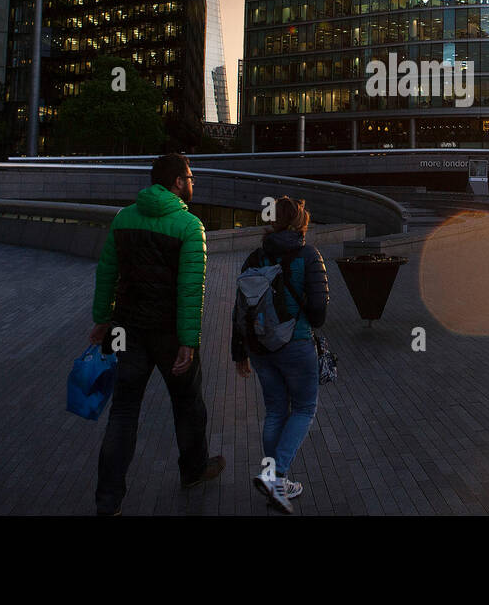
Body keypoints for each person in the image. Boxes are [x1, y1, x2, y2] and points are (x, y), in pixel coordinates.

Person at [90, 153, 223, 516]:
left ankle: (107, 500)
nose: (194, 183)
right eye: (191, 177)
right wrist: (188, 342)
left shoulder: (123, 218)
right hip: (168, 335)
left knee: (123, 413)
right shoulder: (189, 226)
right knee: (188, 405)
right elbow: (190, 290)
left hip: (127, 331)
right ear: (178, 182)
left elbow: (106, 274)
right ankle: (194, 471)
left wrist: (101, 319)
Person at [233, 197, 329, 514]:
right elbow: (318, 312)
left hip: (260, 348)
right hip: (296, 344)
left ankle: (277, 484)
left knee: (276, 411)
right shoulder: (309, 255)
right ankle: (276, 474)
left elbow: (240, 309)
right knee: (304, 408)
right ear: (301, 222)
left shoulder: (254, 258)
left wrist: (240, 353)